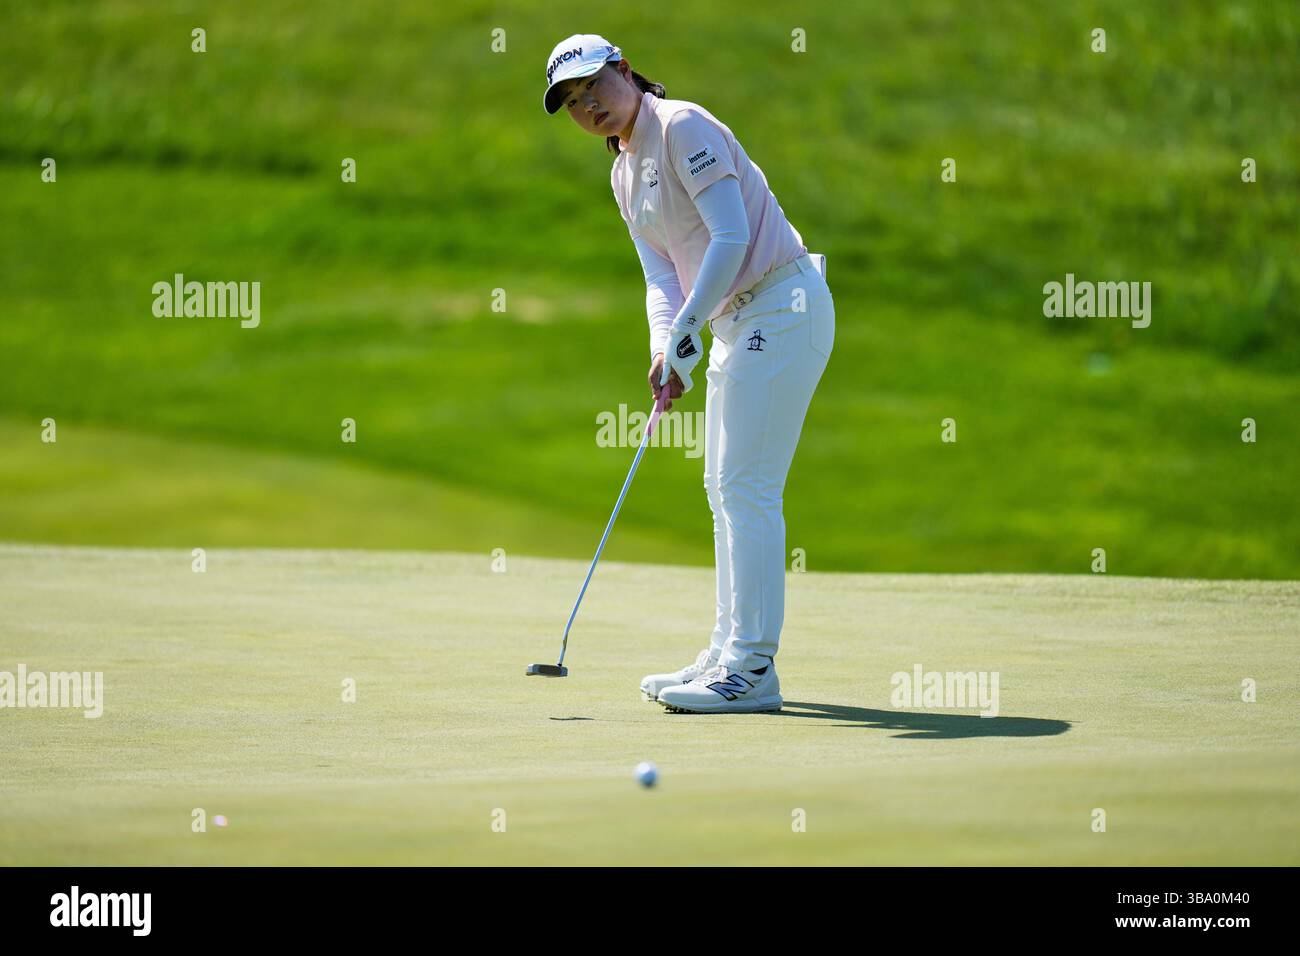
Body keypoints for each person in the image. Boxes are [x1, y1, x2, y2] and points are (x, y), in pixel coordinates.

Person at [543, 34, 834, 714]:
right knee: (722, 485)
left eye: (596, 89)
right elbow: (659, 275)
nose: (590, 108)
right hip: (741, 318)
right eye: (575, 104)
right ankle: (727, 652)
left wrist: (687, 331)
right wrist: (664, 345)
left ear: (625, 71)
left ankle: (752, 670)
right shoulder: (622, 172)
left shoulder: (681, 126)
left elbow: (731, 236)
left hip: (782, 304)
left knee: (746, 485)